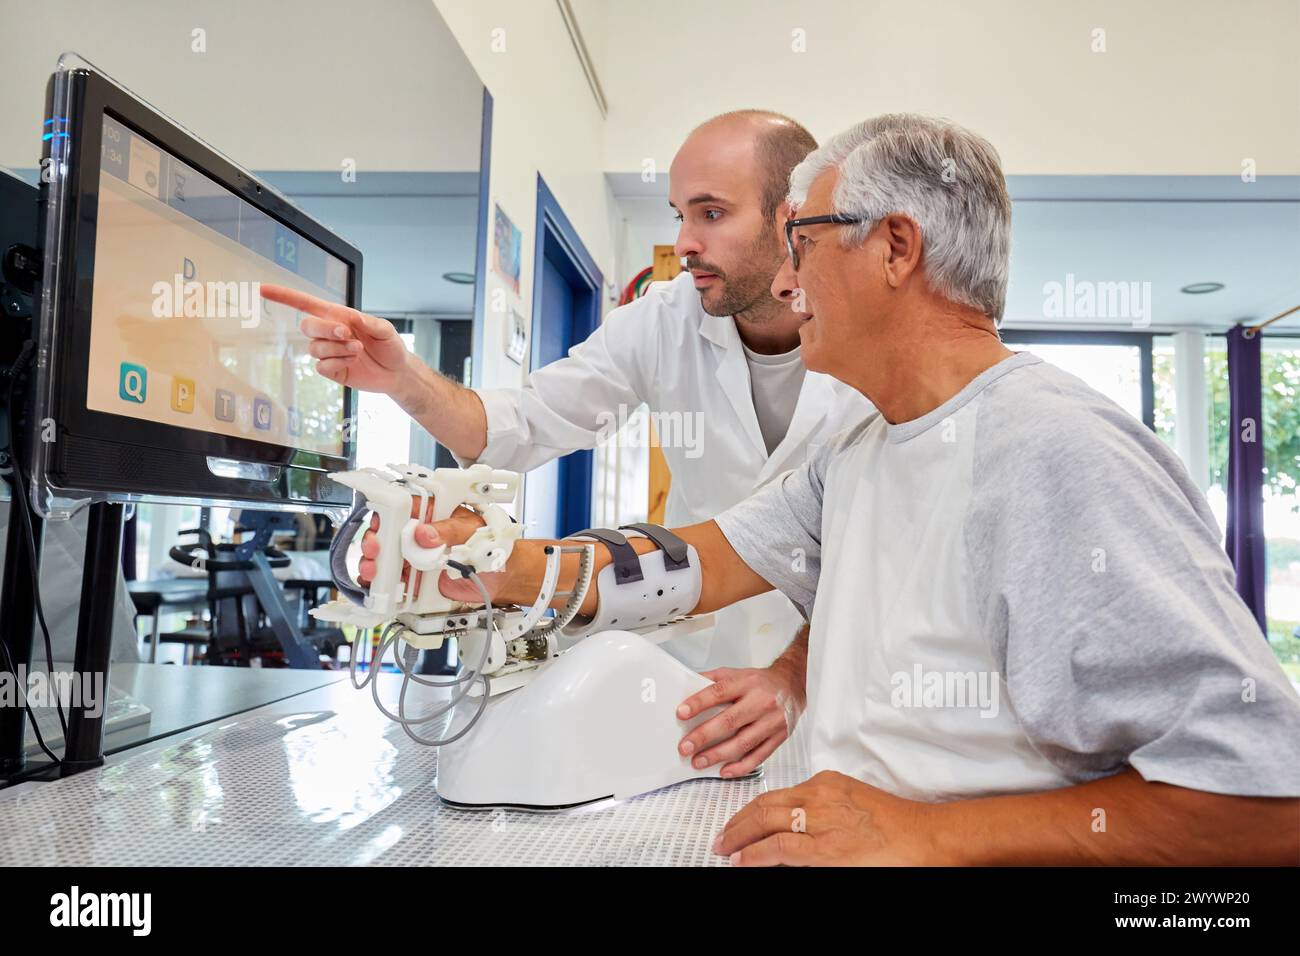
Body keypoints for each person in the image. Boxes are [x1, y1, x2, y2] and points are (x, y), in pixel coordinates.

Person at [384, 113, 1300, 865]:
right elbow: (691, 565)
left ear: (895, 247)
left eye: (804, 244)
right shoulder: (865, 445)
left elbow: (1263, 804)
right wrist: (485, 562)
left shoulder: (1055, 451)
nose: (786, 280)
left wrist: (923, 835)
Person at [263, 110, 874, 779]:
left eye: (711, 213)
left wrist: (795, 674)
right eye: (679, 214)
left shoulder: (870, 338)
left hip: (840, 686)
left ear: (792, 216)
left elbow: (878, 557)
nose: (685, 242)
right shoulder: (662, 321)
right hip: (697, 676)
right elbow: (521, 426)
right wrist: (404, 378)